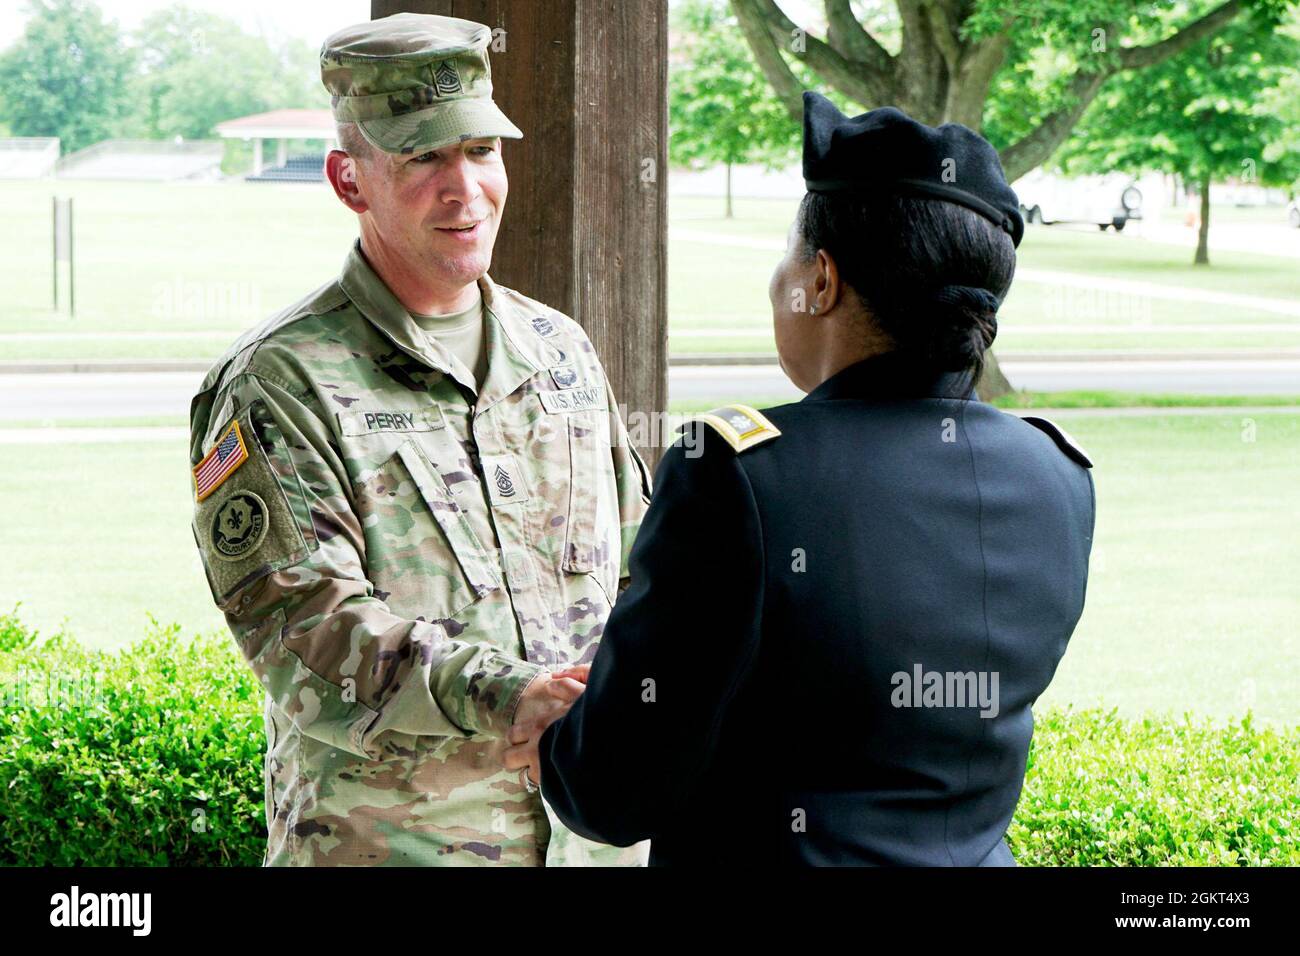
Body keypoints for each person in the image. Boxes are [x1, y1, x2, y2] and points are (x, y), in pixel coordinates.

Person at [505, 93, 1096, 866]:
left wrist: (554, 737)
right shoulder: (1059, 472)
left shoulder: (739, 476)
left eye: (789, 255)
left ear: (820, 280)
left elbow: (616, 790)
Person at [187, 12, 652, 867]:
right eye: (423, 157)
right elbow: (303, 634)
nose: (465, 188)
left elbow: (642, 574)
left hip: (590, 847)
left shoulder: (561, 353)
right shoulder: (278, 385)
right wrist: (509, 695)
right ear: (349, 179)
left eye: (481, 150)